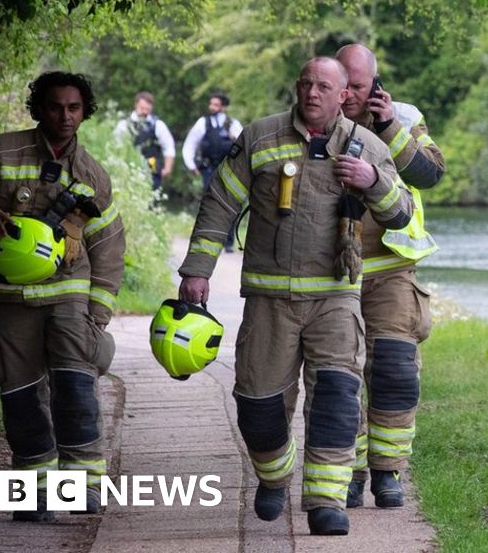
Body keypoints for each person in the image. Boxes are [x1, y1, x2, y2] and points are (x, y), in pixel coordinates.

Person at [176, 57, 412, 535]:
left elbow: (401, 213)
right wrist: (197, 271)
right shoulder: (261, 137)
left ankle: (326, 501)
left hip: (335, 299)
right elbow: (220, 201)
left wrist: (373, 182)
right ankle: (273, 474)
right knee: (257, 402)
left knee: (338, 399)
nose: (312, 93)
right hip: (269, 298)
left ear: (344, 93)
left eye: (324, 86)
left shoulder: (364, 145)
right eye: (305, 83)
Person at [0, 71, 126, 521]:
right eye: (56, 107)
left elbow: (109, 243)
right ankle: (35, 493)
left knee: (77, 389)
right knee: (19, 394)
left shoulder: (92, 174)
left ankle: (83, 486)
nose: (65, 116)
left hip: (69, 298)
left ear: (85, 111)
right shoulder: (1, 151)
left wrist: (98, 310)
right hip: (10, 298)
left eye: (74, 108)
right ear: (38, 109)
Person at [335, 43, 445, 509]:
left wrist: (387, 126)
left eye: (358, 86)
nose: (349, 96)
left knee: (396, 371)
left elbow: (430, 174)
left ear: (375, 84)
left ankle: (389, 472)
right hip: (334, 274)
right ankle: (353, 471)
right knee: (341, 379)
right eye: (344, 86)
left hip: (392, 269)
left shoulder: (403, 116)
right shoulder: (317, 117)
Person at [182, 92, 244, 251]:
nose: (212, 107)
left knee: (230, 204)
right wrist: (191, 165)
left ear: (223, 107)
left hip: (229, 170)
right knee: (209, 204)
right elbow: (190, 143)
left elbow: (243, 147)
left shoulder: (233, 124)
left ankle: (229, 242)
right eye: (211, 104)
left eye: (216, 105)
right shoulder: (203, 123)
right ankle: (207, 240)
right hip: (208, 169)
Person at [113, 91, 176, 191]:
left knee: (153, 193)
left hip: (152, 164)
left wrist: (167, 168)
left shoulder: (158, 125)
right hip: (129, 166)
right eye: (142, 108)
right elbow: (116, 146)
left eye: (147, 109)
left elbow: (169, 146)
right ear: (136, 105)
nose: (145, 112)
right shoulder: (124, 125)